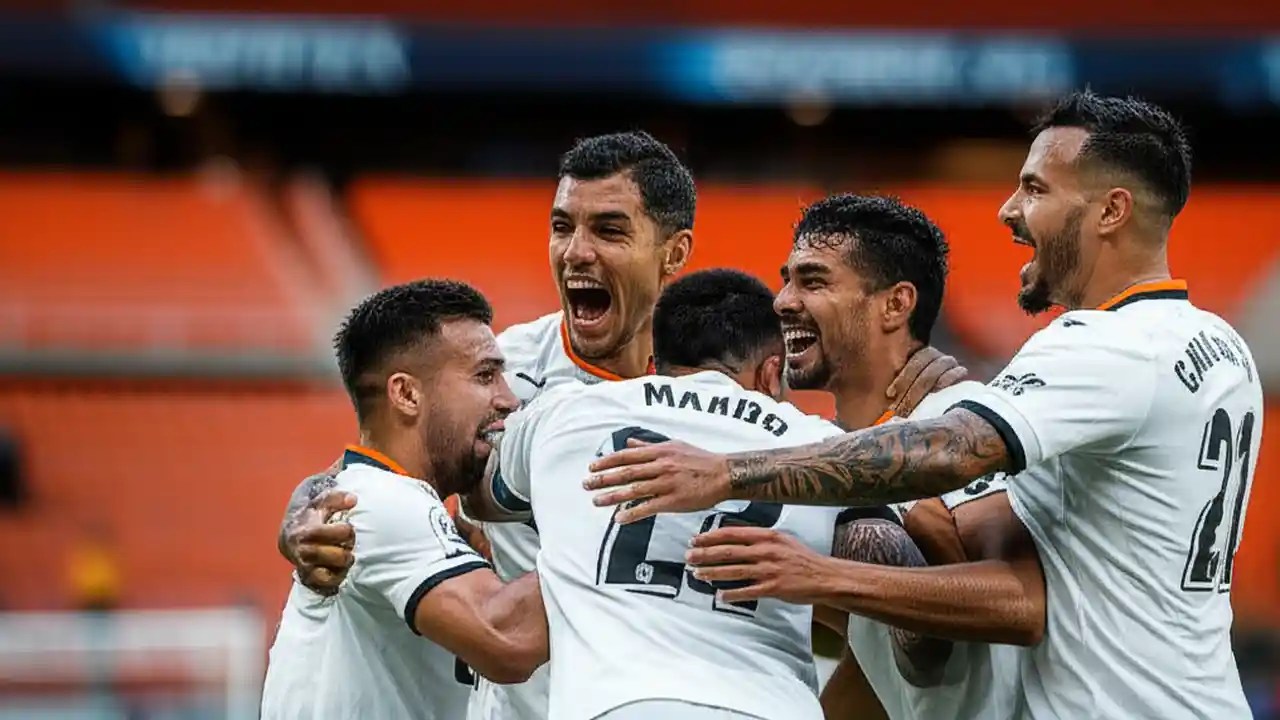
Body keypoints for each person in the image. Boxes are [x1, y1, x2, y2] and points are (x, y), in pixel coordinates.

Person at [587, 91, 1263, 719]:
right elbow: (887, 670)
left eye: (1035, 189)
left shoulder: (1097, 350)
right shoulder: (1217, 345)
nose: (1008, 209)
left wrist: (741, 483)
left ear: (1111, 211)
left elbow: (962, 471)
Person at [275, 132, 963, 719]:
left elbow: (850, 611)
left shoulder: (740, 412)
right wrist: (306, 509)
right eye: (561, 226)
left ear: (673, 253)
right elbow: (383, 466)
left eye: (608, 230)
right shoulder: (507, 373)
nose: (575, 252)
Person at [467, 268, 945, 719]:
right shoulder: (821, 447)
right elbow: (894, 572)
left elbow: (482, 496)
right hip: (769, 707)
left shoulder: (566, 412)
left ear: (655, 364)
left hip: (618, 703)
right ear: (770, 373)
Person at [774, 193, 1036, 720]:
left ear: (895, 304)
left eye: (814, 280)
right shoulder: (835, 442)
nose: (783, 300)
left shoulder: (958, 424)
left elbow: (1019, 602)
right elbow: (876, 665)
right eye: (788, 278)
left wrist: (827, 574)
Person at [259, 279, 547, 720]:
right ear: (407, 394)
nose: (508, 399)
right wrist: (608, 538)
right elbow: (505, 637)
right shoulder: (380, 503)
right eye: (485, 375)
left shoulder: (373, 495)